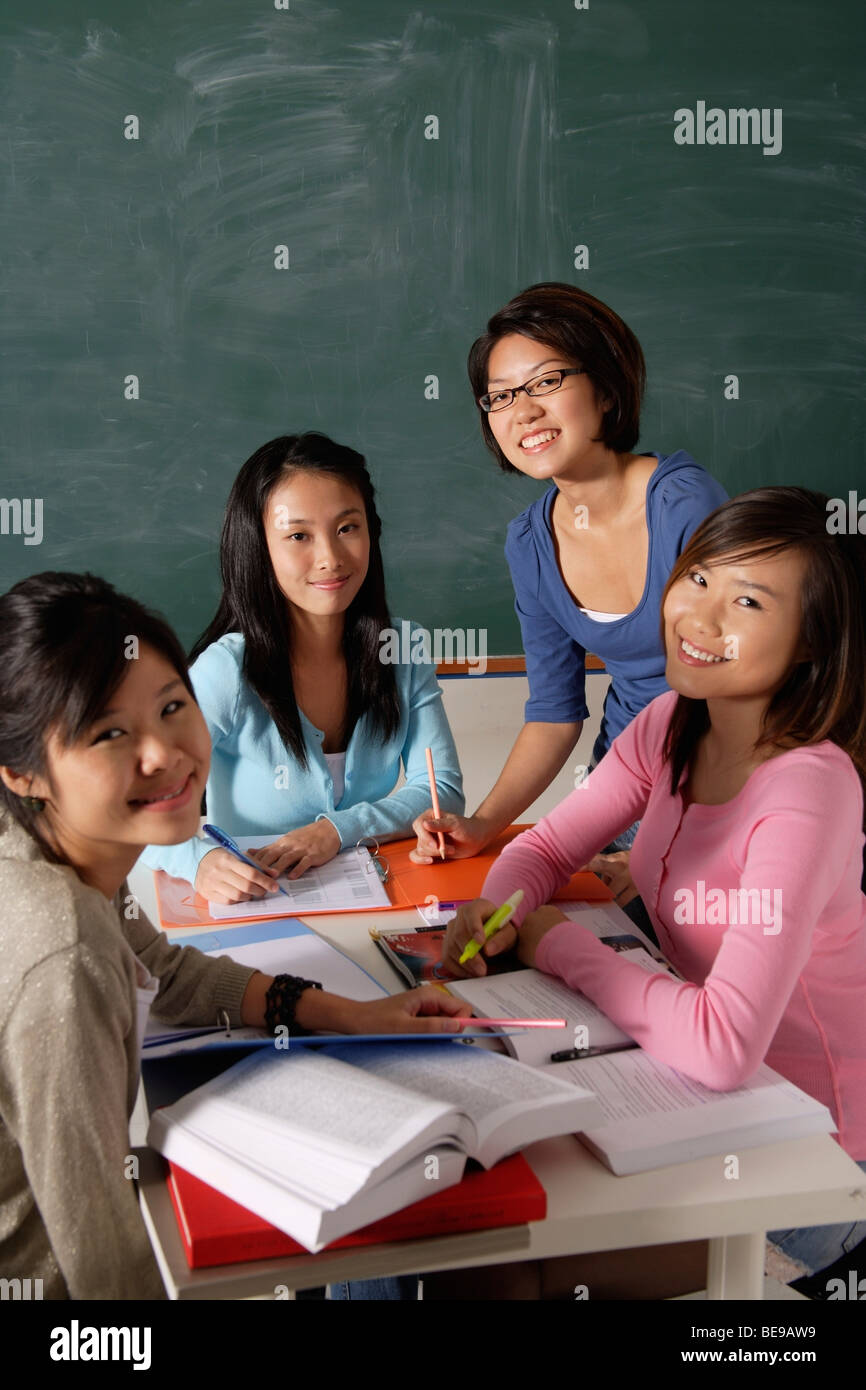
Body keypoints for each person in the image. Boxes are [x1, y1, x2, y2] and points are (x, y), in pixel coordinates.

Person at [0, 572, 470, 1299]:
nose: (166, 754)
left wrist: (348, 1014)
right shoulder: (63, 954)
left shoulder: (52, 850)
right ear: (24, 773)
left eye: (170, 707)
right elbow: (106, 1273)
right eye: (109, 734)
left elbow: (168, 971)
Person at [441, 487, 866, 1288]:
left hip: (819, 1155)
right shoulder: (671, 721)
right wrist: (498, 908)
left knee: (508, 1267)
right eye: (698, 577)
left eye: (746, 601)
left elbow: (722, 1044)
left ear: (812, 641)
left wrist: (554, 942)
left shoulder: (807, 789)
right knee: (474, 1218)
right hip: (692, 1093)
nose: (699, 618)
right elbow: (548, 848)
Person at [412, 282, 728, 922]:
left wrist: (661, 847)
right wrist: (484, 822)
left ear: (607, 389)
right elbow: (555, 712)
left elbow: (741, 691)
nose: (521, 411)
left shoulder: (684, 504)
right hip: (623, 785)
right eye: (500, 396)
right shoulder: (529, 543)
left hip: (718, 787)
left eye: (546, 381)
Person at [142, 433, 464, 903]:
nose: (331, 558)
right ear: (259, 546)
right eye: (298, 536)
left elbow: (442, 793)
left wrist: (334, 831)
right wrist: (198, 862)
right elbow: (133, 801)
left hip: (383, 904)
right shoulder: (226, 671)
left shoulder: (404, 647)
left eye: (347, 528)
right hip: (263, 913)